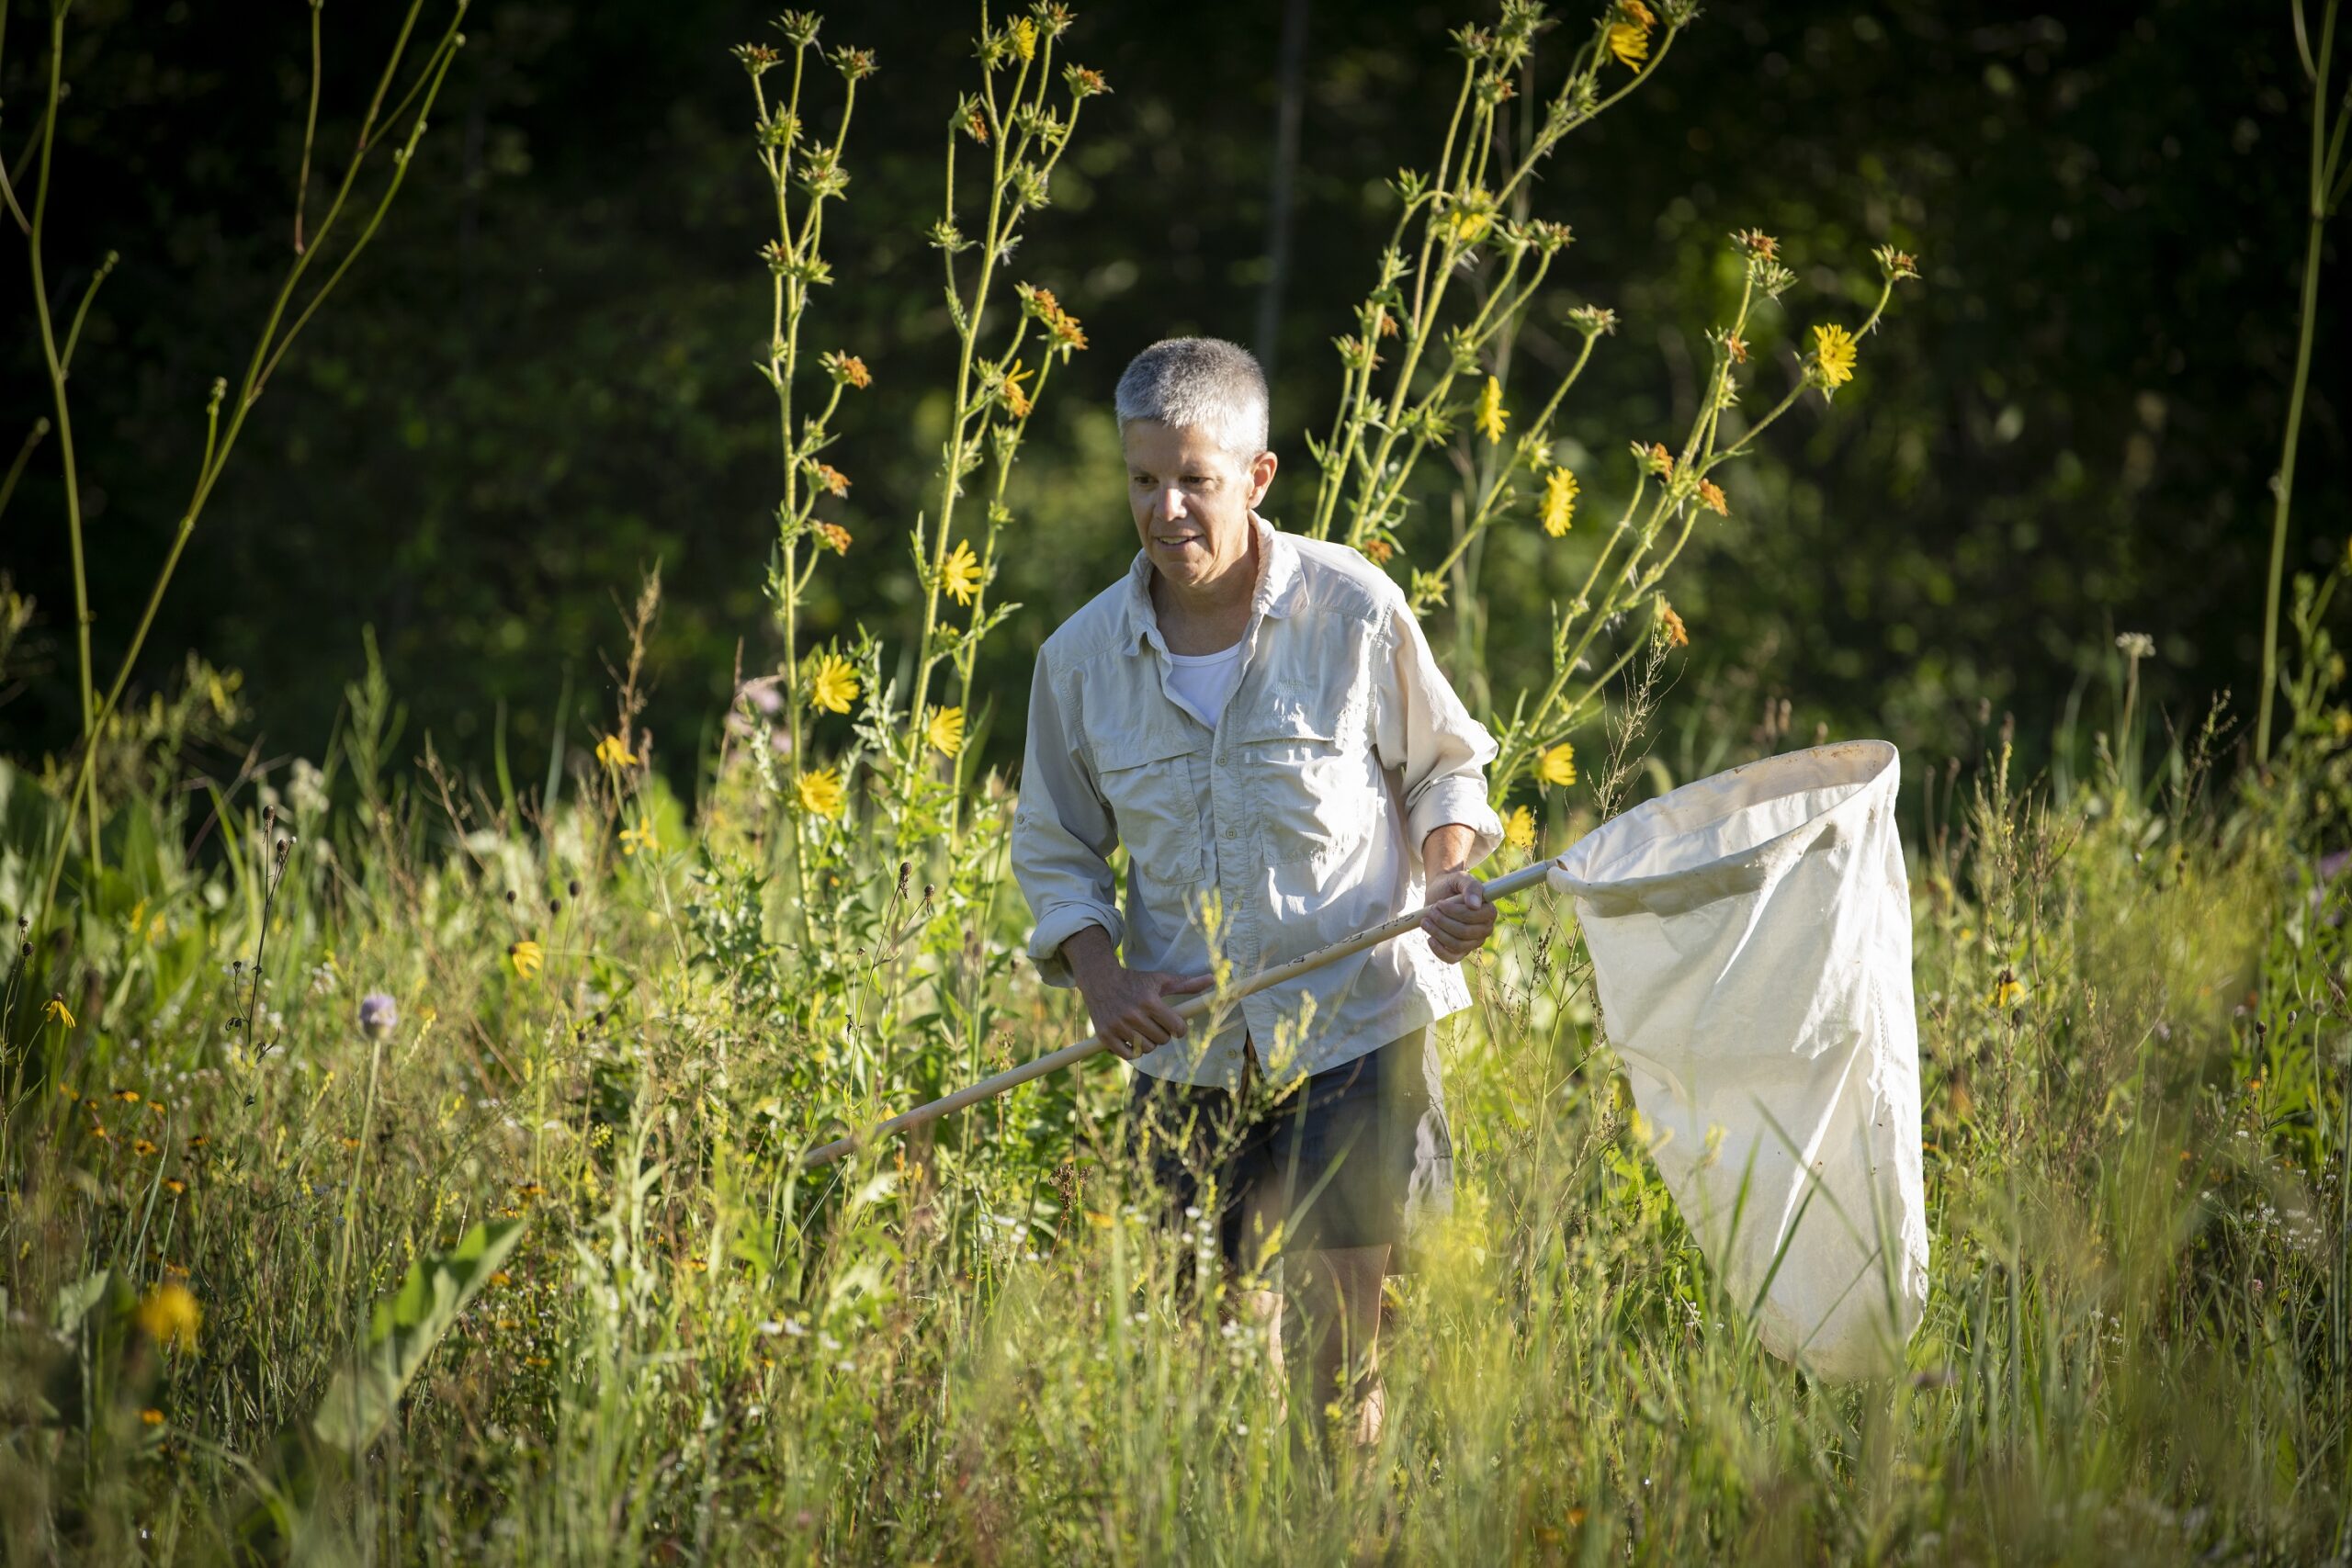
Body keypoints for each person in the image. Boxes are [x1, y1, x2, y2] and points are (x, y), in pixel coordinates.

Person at [1011, 335, 1501, 1443]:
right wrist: (1099, 974)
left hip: (1351, 1034)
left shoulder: (1352, 609)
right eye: (1144, 480)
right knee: (1203, 1372)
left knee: (1338, 1373)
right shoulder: (1079, 660)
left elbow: (1445, 769)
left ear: (1256, 475)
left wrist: (1450, 877)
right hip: (1187, 1052)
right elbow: (1054, 847)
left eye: (1194, 479)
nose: (1166, 508)